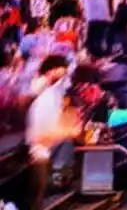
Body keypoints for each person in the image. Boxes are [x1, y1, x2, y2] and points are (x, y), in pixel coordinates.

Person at [26, 55, 78, 210]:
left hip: (51, 148)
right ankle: (57, 180)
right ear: (51, 71)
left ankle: (60, 179)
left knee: (67, 143)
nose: (64, 74)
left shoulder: (58, 93)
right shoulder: (42, 98)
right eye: (61, 70)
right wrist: (67, 131)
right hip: (40, 152)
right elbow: (40, 137)